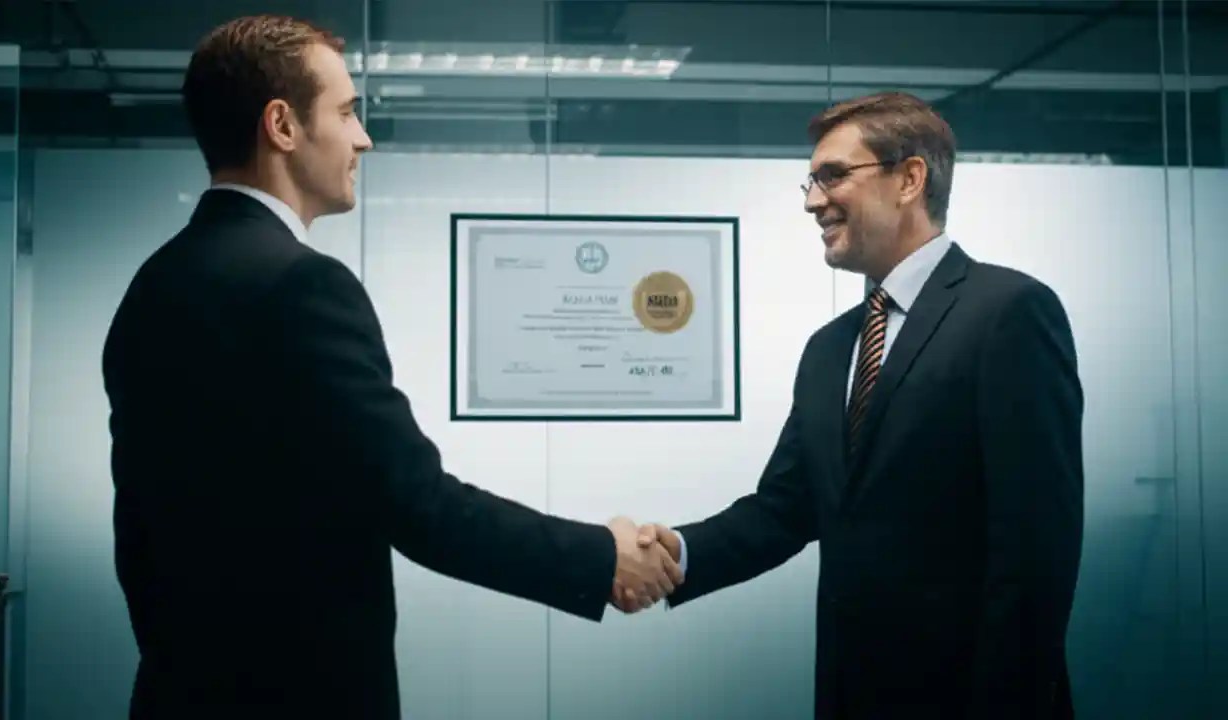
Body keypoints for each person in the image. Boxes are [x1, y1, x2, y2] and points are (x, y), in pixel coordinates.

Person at [100, 15, 680, 719]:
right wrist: (602, 557)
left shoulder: (154, 285)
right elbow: (417, 504)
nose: (363, 137)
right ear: (282, 125)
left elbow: (142, 533)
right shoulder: (302, 285)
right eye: (346, 112)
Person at [636, 92, 1084, 719]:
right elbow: (783, 511)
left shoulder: (1008, 313)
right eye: (810, 181)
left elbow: (1036, 550)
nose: (812, 200)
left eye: (833, 176)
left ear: (910, 178)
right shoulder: (829, 348)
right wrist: (675, 552)